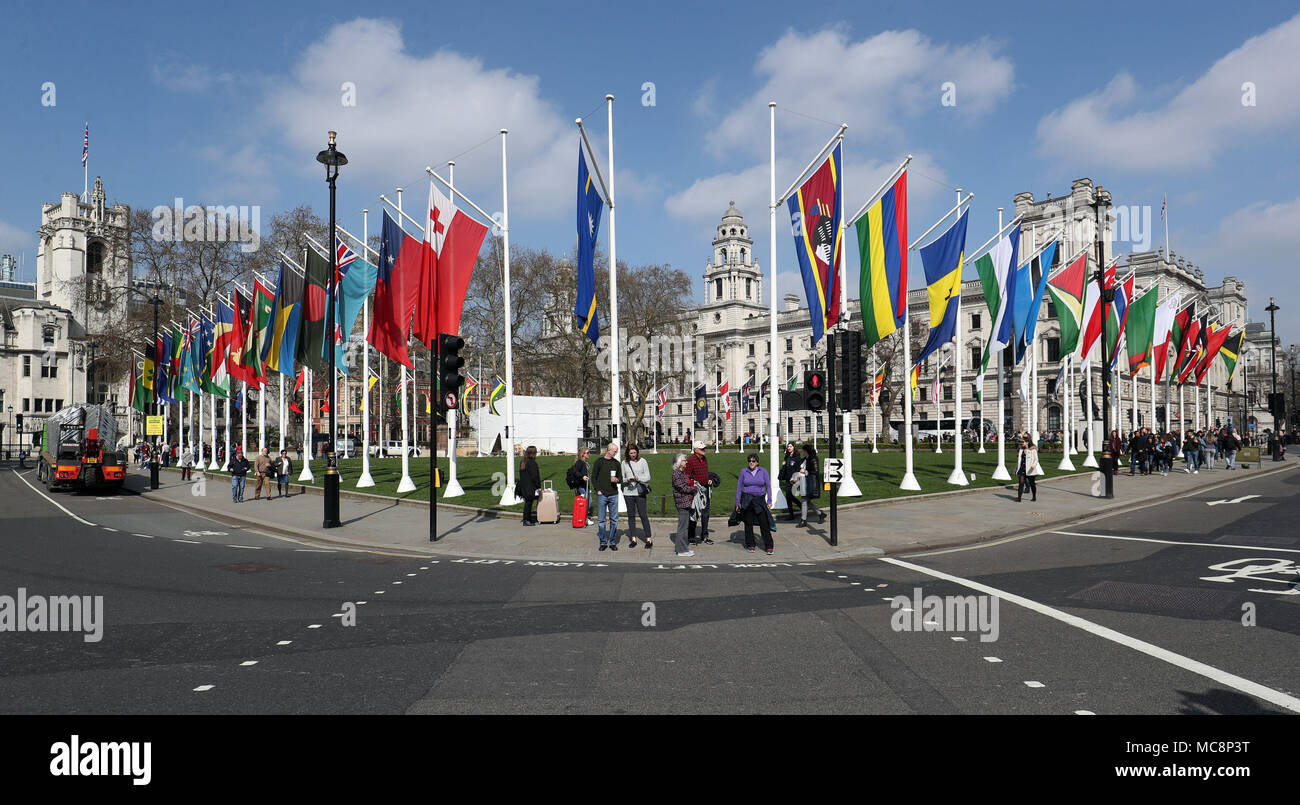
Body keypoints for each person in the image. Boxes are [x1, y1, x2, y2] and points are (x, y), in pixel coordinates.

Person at [735, 453, 774, 553]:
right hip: (747, 499)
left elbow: (768, 486)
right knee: (748, 524)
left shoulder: (763, 471)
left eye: (753, 461)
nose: (751, 463)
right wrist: (738, 502)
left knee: (764, 523)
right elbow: (739, 487)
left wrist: (769, 500)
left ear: (757, 462)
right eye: (749, 461)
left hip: (759, 500)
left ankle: (769, 546)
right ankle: (750, 544)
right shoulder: (744, 471)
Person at [591, 441, 622, 550]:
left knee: (614, 519)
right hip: (602, 495)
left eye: (616, 451)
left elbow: (621, 479)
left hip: (613, 494)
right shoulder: (599, 462)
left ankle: (612, 542)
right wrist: (598, 490)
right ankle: (603, 542)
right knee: (601, 520)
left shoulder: (616, 463)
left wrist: (616, 479)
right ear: (609, 450)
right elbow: (593, 477)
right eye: (615, 451)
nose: (616, 453)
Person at [621, 444, 652, 549]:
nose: (633, 455)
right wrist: (628, 479)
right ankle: (633, 538)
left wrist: (638, 478)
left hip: (640, 492)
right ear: (627, 454)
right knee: (631, 515)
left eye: (634, 453)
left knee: (643, 515)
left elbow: (648, 477)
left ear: (637, 452)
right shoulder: (624, 463)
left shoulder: (643, 461)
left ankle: (648, 538)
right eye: (631, 453)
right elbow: (622, 478)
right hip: (628, 492)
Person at [685, 440, 714, 544]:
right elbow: (687, 476)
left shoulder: (704, 459)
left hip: (705, 488)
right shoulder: (691, 460)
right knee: (694, 513)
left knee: (706, 513)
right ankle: (691, 536)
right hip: (696, 490)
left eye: (704, 448)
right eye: (702, 449)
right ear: (695, 450)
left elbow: (705, 472)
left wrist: (709, 479)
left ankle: (705, 535)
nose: (704, 450)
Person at [670, 454, 695, 558]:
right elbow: (682, 488)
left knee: (685, 527)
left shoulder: (681, 473)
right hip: (682, 503)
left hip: (686, 502)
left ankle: (684, 548)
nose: (686, 462)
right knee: (682, 528)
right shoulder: (676, 474)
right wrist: (694, 488)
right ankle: (681, 550)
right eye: (685, 460)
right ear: (680, 462)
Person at [794, 443, 825, 527]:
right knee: (806, 501)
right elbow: (799, 469)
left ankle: (803, 520)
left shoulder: (813, 459)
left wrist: (805, 471)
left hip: (810, 483)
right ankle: (820, 513)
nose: (802, 452)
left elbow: (816, 471)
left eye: (803, 450)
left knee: (804, 501)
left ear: (806, 451)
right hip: (803, 483)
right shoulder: (804, 459)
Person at [566, 447, 592, 526]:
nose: (589, 454)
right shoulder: (579, 462)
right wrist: (582, 477)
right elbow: (575, 471)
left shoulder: (584, 462)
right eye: (587, 453)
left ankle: (583, 518)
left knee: (587, 501)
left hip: (585, 485)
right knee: (587, 501)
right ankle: (585, 518)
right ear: (582, 454)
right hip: (581, 486)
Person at [778, 441, 802, 520]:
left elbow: (799, 469)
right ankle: (791, 514)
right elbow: (786, 467)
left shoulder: (797, 457)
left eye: (790, 446)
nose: (789, 448)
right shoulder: (787, 456)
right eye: (788, 446)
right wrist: (784, 464)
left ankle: (800, 506)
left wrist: (797, 478)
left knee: (789, 496)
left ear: (794, 447)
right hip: (788, 479)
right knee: (789, 497)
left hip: (794, 479)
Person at [518, 445, 542, 525]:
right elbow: (535, 476)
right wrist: (538, 486)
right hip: (530, 486)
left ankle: (527, 519)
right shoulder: (532, 463)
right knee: (529, 503)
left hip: (523, 485)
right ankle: (526, 520)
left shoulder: (523, 462)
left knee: (528, 503)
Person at [1016, 437, 1040, 502]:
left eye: (1023, 442)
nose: (1021, 443)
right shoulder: (1021, 450)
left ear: (1027, 442)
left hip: (1030, 469)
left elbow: (1036, 459)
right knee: (1021, 483)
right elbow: (1019, 460)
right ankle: (1019, 498)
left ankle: (1034, 496)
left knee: (1032, 484)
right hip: (1022, 468)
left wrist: (1034, 465)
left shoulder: (1033, 450)